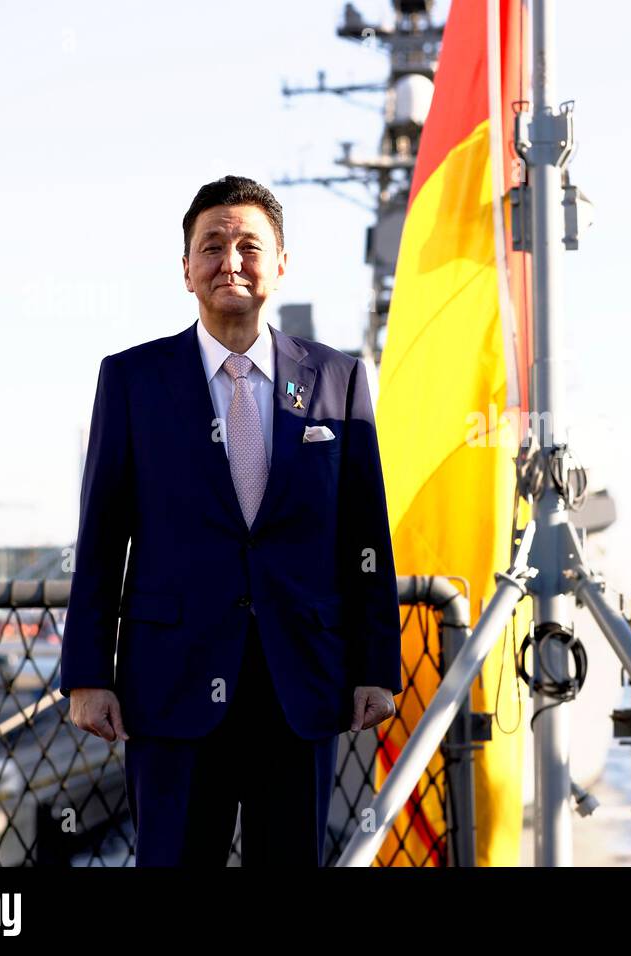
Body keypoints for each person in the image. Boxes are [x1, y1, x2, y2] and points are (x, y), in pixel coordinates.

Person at [60, 175, 403, 866]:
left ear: (282, 263)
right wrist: (87, 673)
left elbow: (364, 535)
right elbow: (101, 538)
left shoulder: (339, 378)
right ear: (186, 268)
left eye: (250, 245)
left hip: (299, 685)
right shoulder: (132, 380)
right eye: (211, 246)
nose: (231, 261)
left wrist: (377, 665)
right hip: (171, 683)